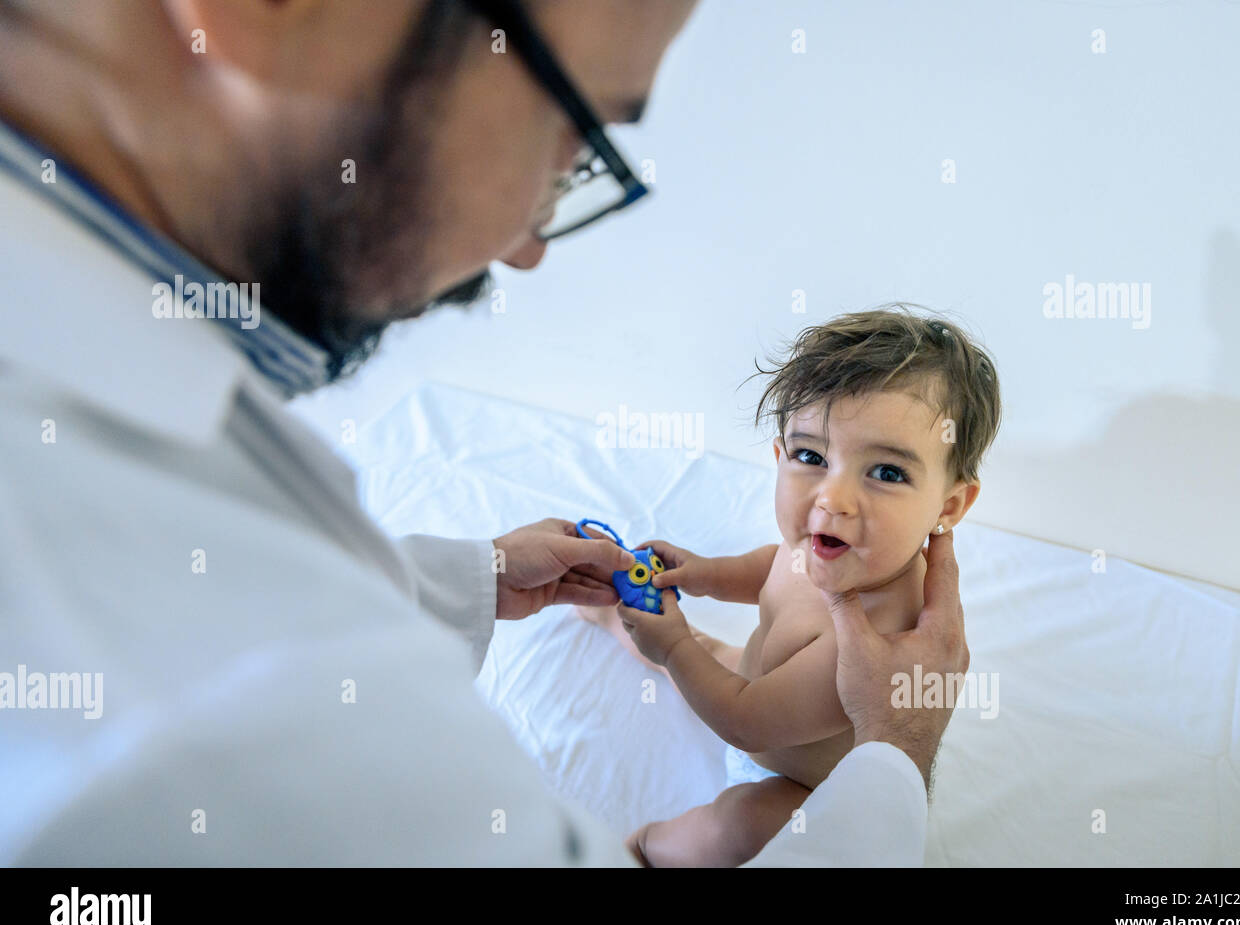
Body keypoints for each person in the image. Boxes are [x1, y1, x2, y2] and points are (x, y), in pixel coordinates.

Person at [0, 0, 969, 866]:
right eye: (567, 134)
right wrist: (894, 754)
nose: (529, 247)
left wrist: (469, 578)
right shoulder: (215, 718)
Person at [581, 308, 1000, 865]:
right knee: (704, 653)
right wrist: (704, 572)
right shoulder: (825, 543)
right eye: (811, 456)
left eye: (887, 473)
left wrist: (674, 646)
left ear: (948, 506)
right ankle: (616, 616)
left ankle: (648, 847)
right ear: (780, 457)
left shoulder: (883, 634)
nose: (833, 498)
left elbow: (746, 722)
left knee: (740, 823)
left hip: (799, 780)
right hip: (748, 683)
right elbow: (773, 567)